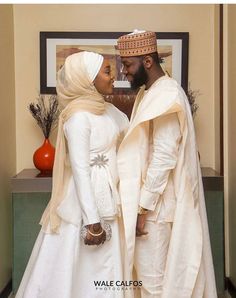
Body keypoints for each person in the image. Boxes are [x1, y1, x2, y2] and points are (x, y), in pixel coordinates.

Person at [16, 51, 129, 298]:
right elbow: (80, 171)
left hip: (113, 194)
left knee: (108, 264)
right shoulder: (77, 118)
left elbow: (131, 138)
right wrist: (92, 221)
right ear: (88, 79)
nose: (114, 77)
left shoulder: (111, 111)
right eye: (107, 71)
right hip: (84, 203)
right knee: (76, 266)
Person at [116, 30, 217, 297]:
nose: (123, 72)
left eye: (127, 65)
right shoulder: (152, 92)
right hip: (154, 207)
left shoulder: (166, 95)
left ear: (147, 61)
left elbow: (163, 157)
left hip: (156, 211)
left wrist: (142, 208)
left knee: (154, 285)